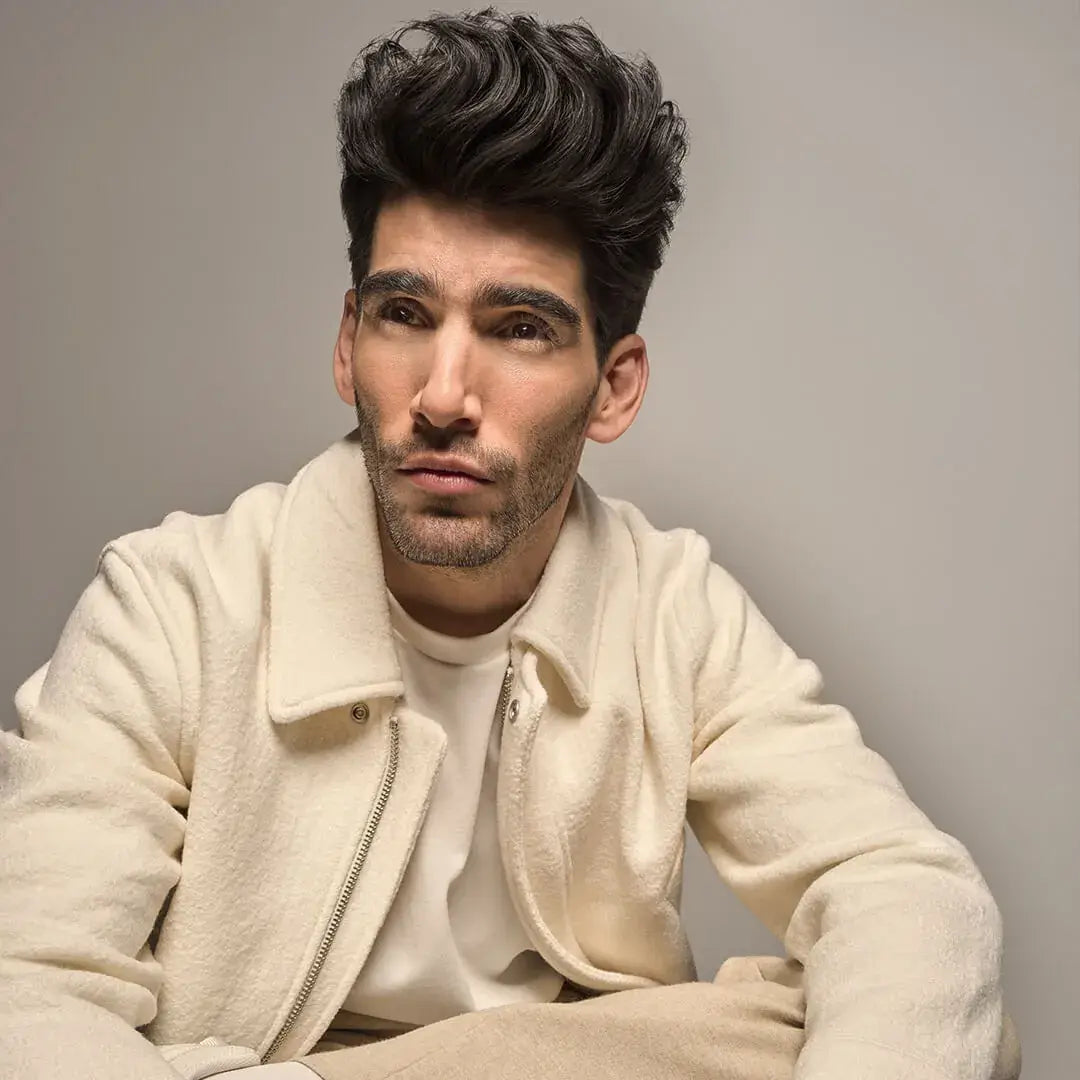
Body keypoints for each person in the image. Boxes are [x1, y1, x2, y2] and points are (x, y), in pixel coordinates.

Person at [0, 8, 1020, 1080]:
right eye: (404, 314)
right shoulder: (173, 607)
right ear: (348, 345)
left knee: (935, 1014)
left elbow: (906, 893)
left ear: (614, 387)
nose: (444, 396)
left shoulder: (671, 612)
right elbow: (25, 995)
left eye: (519, 328)